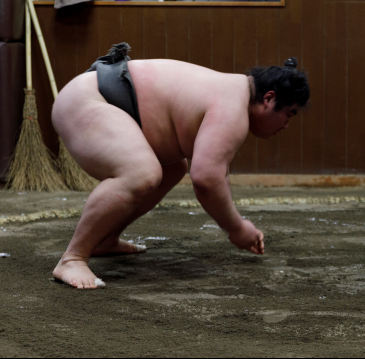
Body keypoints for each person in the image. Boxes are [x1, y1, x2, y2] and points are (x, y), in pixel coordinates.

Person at [51, 43, 309, 289]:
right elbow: (207, 178)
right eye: (289, 114)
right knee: (142, 173)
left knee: (173, 168)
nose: (286, 125)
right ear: (269, 98)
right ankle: (73, 258)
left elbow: (214, 172)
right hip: (88, 100)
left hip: (107, 99)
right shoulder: (234, 106)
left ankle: (104, 239)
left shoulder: (233, 93)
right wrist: (236, 228)